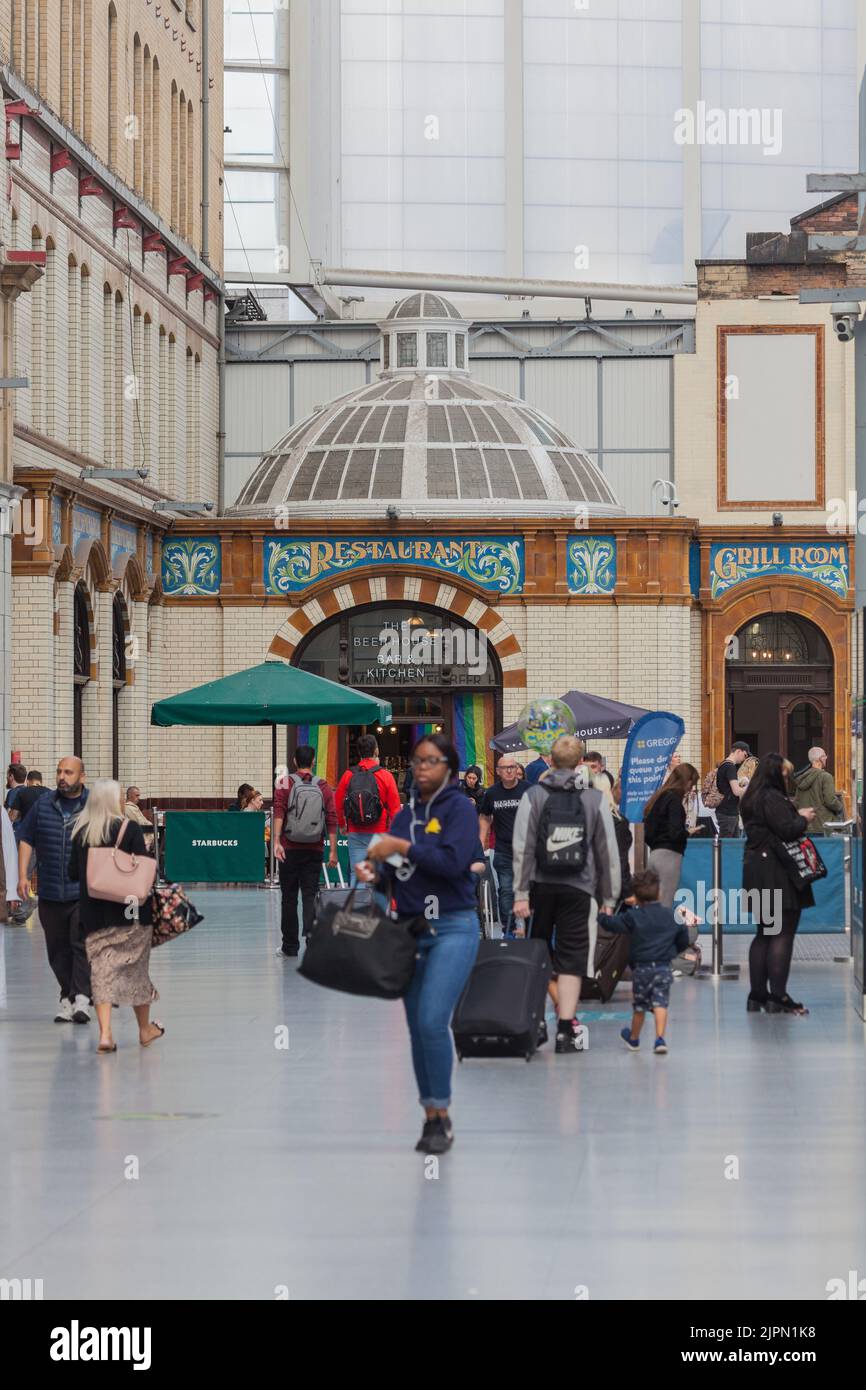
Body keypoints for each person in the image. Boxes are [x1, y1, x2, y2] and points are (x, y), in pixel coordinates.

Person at [356, 734, 481, 1156]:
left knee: (431, 1020)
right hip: (408, 930)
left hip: (452, 927)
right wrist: (374, 873)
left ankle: (442, 1109)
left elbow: (453, 864)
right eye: (417, 760)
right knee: (416, 1028)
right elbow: (392, 871)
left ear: (449, 766)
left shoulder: (461, 809)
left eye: (432, 760)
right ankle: (432, 1117)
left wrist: (403, 847)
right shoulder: (403, 816)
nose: (422, 767)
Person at [511, 734, 620, 1055]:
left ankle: (538, 1021)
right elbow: (607, 853)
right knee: (573, 959)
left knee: (538, 952)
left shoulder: (533, 795)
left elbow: (523, 847)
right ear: (580, 763)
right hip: (580, 888)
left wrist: (520, 894)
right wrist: (610, 898)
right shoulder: (594, 799)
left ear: (551, 760)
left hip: (540, 888)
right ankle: (565, 1030)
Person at [68, 780, 161, 1053]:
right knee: (134, 971)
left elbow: (74, 873)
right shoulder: (127, 828)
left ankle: (106, 1034)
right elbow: (142, 866)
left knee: (102, 972)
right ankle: (144, 1030)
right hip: (129, 912)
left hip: (94, 914)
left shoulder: (81, 831)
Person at [16, 757, 91, 1024]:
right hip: (49, 890)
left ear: (82, 777)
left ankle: (81, 998)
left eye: (68, 772)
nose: (62, 776)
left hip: (84, 891)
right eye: (59, 771)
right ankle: (68, 996)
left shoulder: (93, 806)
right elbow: (26, 838)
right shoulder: (43, 804)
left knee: (79, 943)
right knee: (57, 949)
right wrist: (23, 875)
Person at [741, 753, 816, 1015]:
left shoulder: (750, 797)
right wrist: (803, 818)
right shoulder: (772, 797)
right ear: (775, 773)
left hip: (756, 870)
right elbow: (786, 829)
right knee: (782, 934)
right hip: (776, 873)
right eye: (785, 774)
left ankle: (757, 996)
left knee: (764, 933)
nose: (787, 778)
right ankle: (778, 996)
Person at [599, 868, 693, 1055]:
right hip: (663, 968)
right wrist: (673, 951)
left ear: (635, 896)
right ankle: (660, 1039)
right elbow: (683, 937)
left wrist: (601, 916)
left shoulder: (633, 916)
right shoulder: (669, 915)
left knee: (640, 1006)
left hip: (641, 970)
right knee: (660, 1003)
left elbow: (612, 924)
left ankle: (634, 1038)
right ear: (659, 892)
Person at [273, 744, 339, 957]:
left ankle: (290, 946)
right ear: (313, 762)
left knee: (289, 897)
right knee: (310, 895)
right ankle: (312, 940)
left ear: (294, 762)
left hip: (289, 847)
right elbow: (331, 818)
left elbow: (279, 812)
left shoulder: (284, 783)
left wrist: (276, 841)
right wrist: (332, 851)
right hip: (315, 848)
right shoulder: (324, 786)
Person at [334, 734, 401, 884]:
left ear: (359, 752)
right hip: (380, 832)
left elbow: (337, 803)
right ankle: (379, 907)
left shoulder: (348, 775)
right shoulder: (385, 776)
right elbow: (395, 809)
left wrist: (342, 825)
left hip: (355, 831)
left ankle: (359, 907)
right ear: (376, 751)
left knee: (357, 875)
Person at [478, 754, 530, 937]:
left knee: (530, 891)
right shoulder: (491, 793)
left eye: (512, 767)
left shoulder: (529, 790)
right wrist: (479, 844)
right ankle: (509, 931)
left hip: (528, 851)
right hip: (503, 851)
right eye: (504, 768)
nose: (509, 770)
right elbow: (484, 817)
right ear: (498, 771)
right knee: (506, 891)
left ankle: (531, 930)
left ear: (517, 769)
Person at [643, 762, 700, 907]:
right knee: (665, 903)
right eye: (692, 784)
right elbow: (675, 833)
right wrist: (687, 832)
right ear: (687, 781)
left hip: (654, 855)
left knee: (653, 904)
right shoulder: (674, 800)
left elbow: (648, 830)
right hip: (669, 857)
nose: (691, 788)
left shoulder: (658, 797)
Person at [793, 748, 844, 835]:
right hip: (822, 826)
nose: (826, 758)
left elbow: (797, 802)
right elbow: (830, 801)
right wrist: (841, 807)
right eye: (824, 756)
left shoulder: (801, 779)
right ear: (819, 759)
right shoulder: (826, 777)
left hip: (805, 825)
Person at [714, 741, 751, 837]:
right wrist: (751, 786)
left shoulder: (724, 765)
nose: (744, 759)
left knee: (732, 846)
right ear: (738, 751)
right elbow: (737, 791)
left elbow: (728, 788)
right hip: (728, 812)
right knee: (729, 846)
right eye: (745, 755)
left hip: (726, 811)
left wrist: (741, 784)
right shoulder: (730, 767)